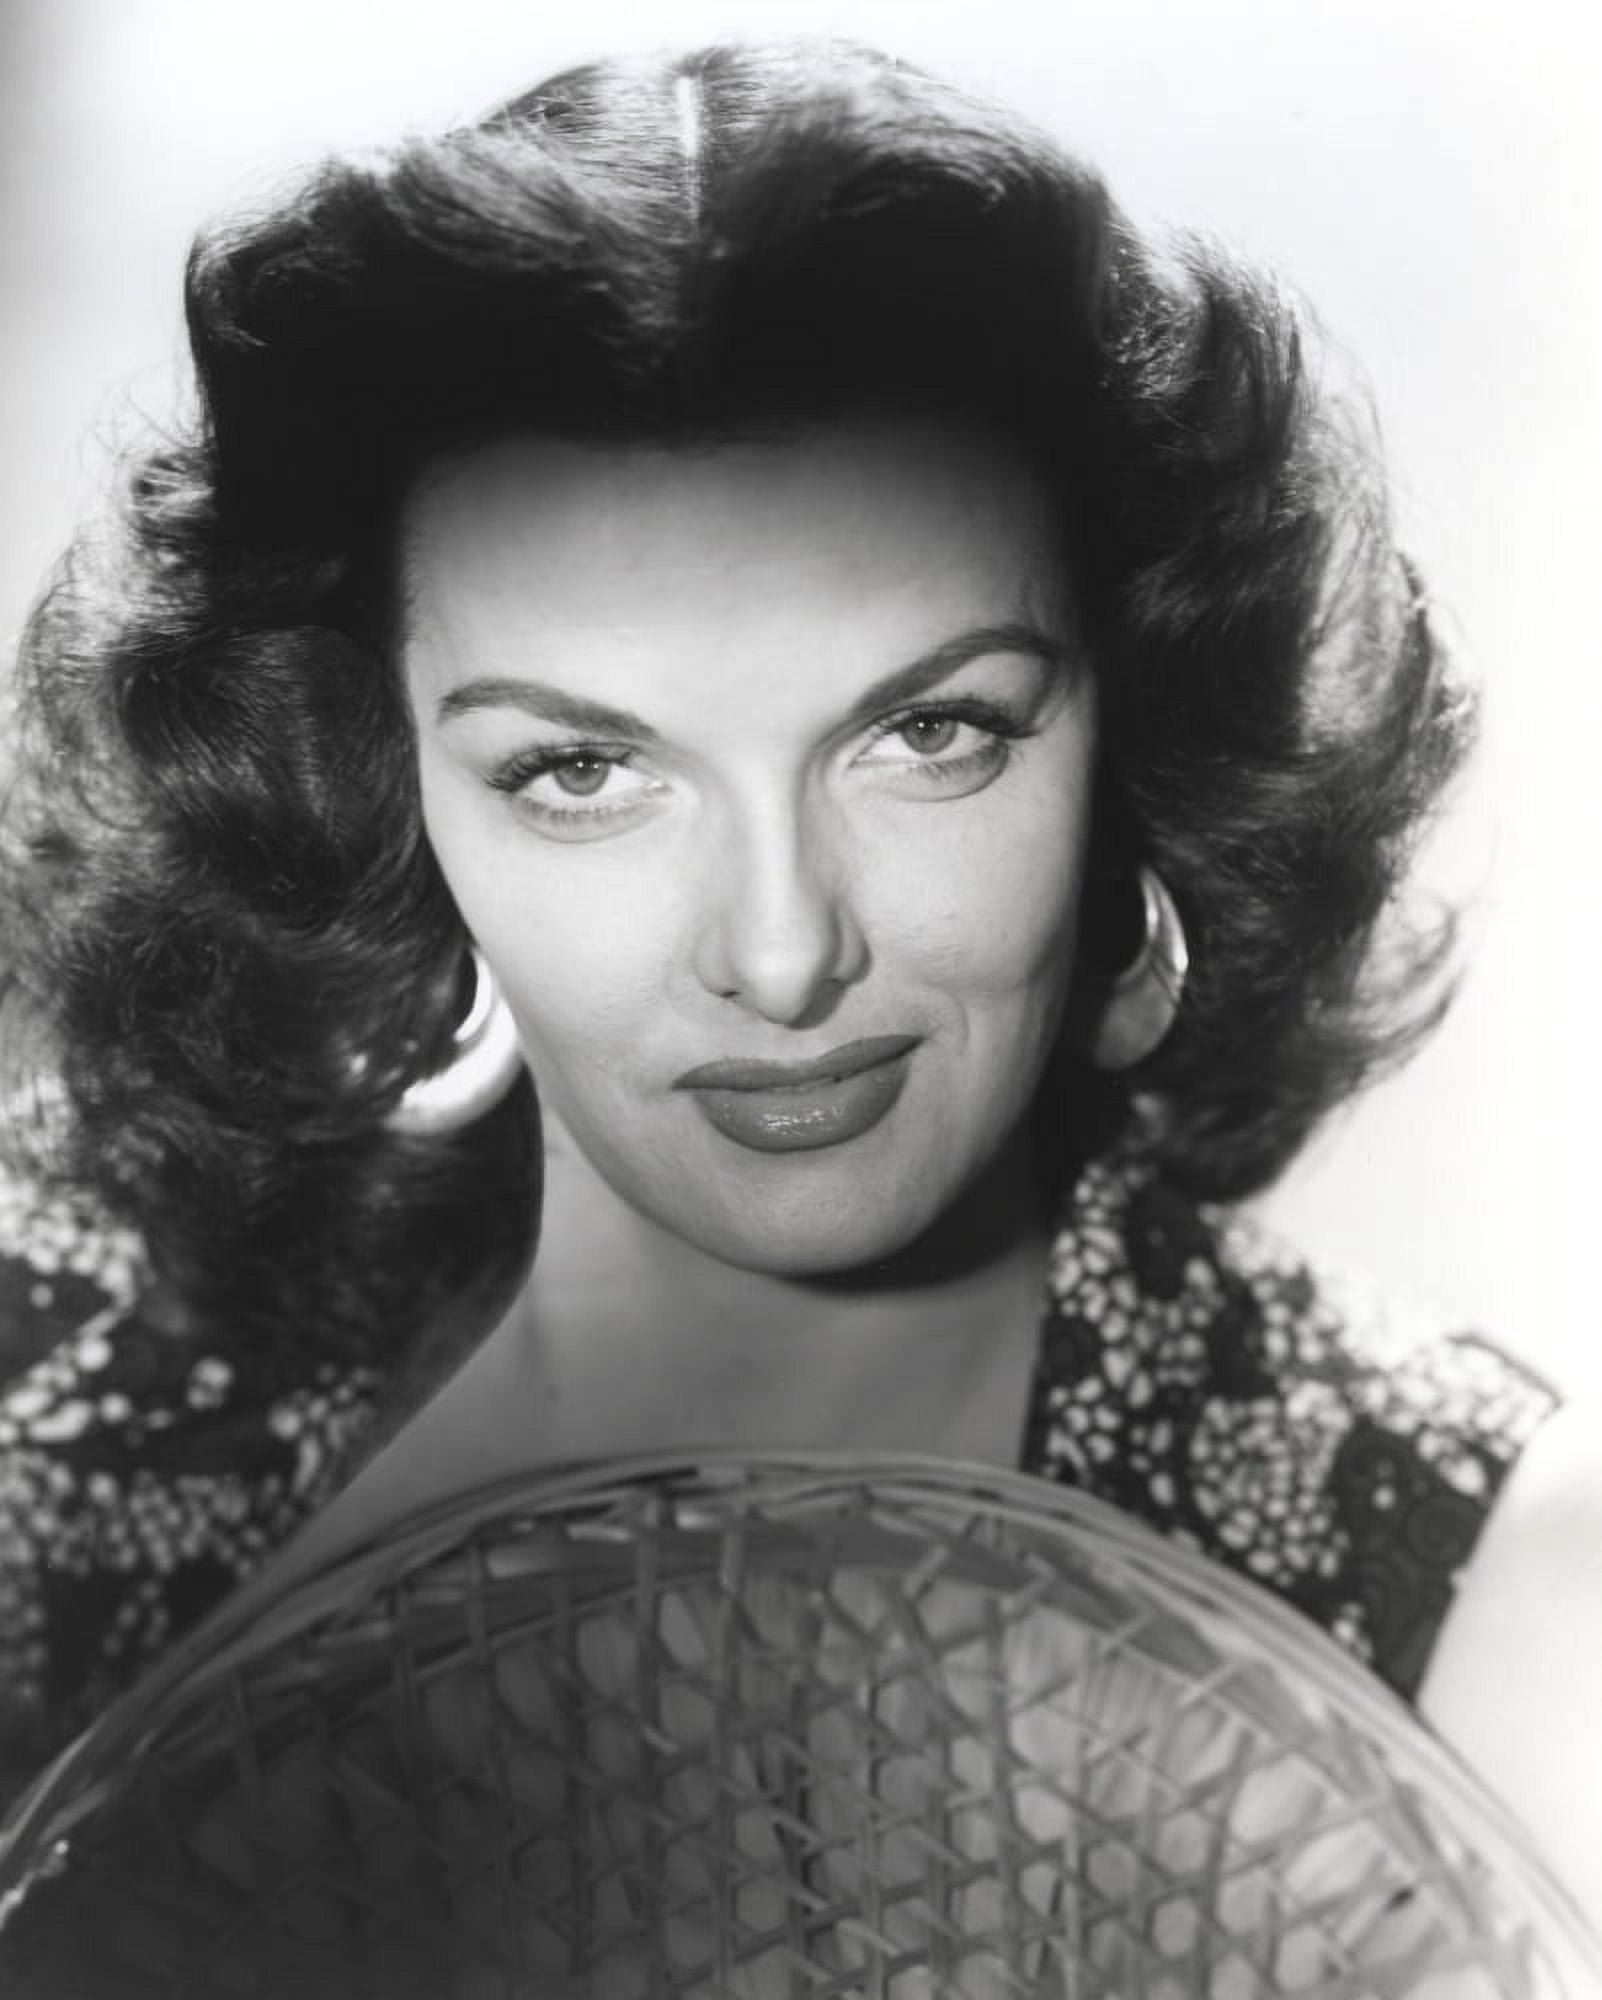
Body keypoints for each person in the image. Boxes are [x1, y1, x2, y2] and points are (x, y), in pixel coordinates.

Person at [0, 37, 1595, 1914]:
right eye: (580, 771)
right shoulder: (59, 1403)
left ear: (1142, 741)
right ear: (378, 793)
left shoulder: (1492, 1609)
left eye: (931, 732)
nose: (781, 949)